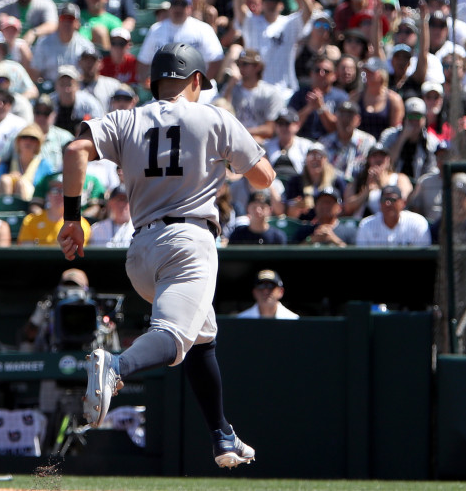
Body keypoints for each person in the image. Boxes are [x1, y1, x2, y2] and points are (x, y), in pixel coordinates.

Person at [57, 42, 274, 467]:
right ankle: (117, 365)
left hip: (139, 251)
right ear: (195, 81)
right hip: (189, 242)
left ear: (155, 83)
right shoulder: (213, 116)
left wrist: (71, 219)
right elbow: (264, 178)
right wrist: (225, 163)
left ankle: (222, 435)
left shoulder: (126, 118)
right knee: (175, 339)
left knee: (202, 338)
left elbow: (73, 151)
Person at [18, 174, 91, 246]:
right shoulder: (31, 221)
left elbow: (76, 253)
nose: (59, 195)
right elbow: (27, 252)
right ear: (48, 195)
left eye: (64, 191)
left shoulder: (79, 224)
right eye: (55, 190)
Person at [354, 184, 431, 246]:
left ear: (403, 203)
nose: (388, 203)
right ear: (379, 203)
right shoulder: (366, 225)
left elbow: (423, 260)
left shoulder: (417, 223)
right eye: (384, 200)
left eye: (392, 199)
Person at [236, 270, 300, 319]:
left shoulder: (293, 319)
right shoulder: (241, 319)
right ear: (254, 292)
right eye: (261, 286)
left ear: (281, 291)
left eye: (271, 286)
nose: (266, 291)